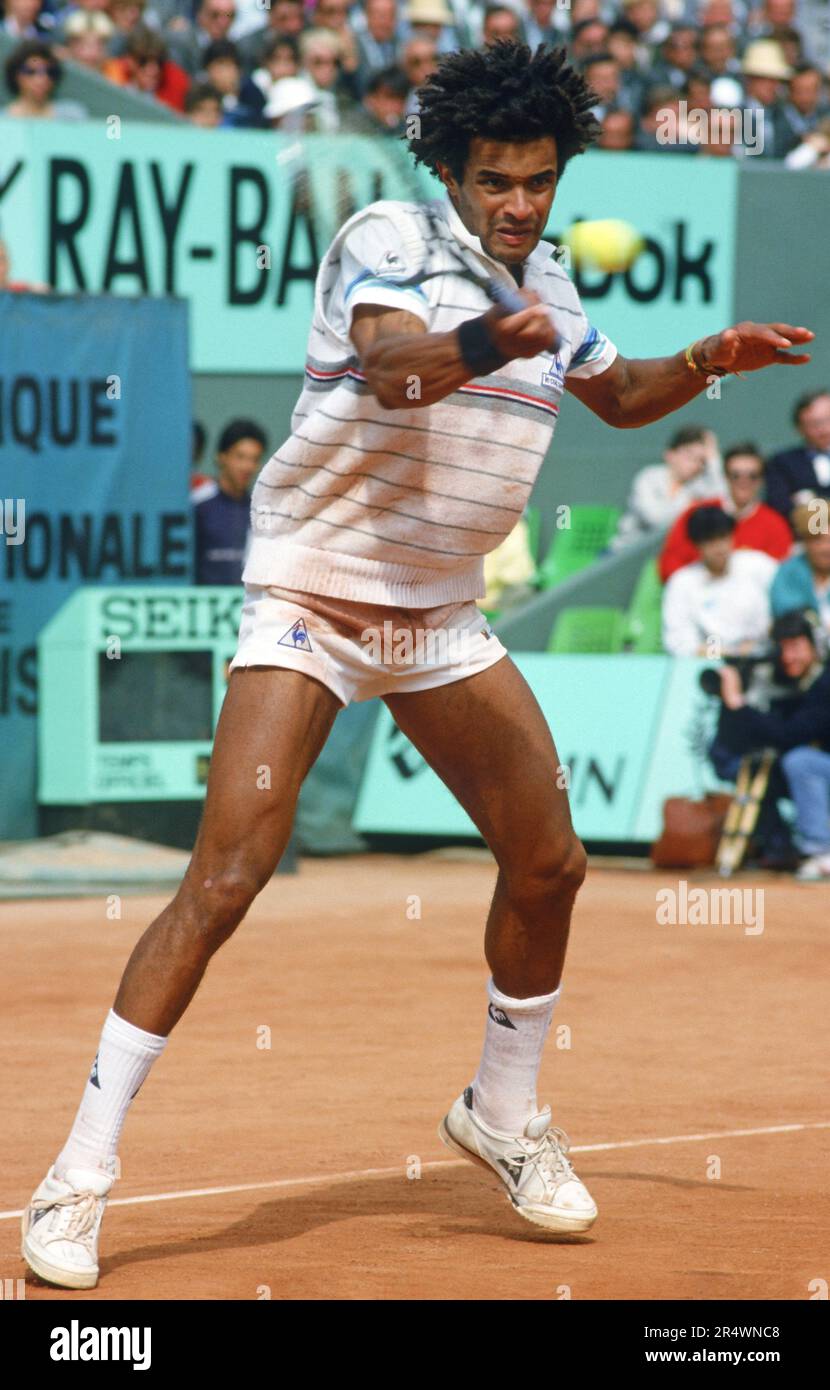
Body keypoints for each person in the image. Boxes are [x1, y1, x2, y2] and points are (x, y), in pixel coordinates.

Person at [21, 37, 815, 1291]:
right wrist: (495, 340)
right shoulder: (388, 240)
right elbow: (395, 371)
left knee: (548, 860)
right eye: (494, 179)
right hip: (313, 595)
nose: (517, 202)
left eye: (538, 179)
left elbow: (614, 396)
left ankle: (500, 1115)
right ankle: (77, 1173)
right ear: (449, 169)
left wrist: (712, 358)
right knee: (228, 874)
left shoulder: (547, 276)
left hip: (439, 614)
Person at [715, 609, 830, 880]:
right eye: (782, 648)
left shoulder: (825, 682)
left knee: (800, 761)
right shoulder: (785, 678)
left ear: (815, 646)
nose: (788, 657)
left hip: (818, 767)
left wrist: (739, 704)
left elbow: (790, 734)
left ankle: (821, 851)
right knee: (752, 766)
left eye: (796, 647)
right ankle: (779, 849)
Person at [659, 443, 792, 582]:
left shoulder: (775, 524)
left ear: (761, 480)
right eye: (736, 475)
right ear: (725, 476)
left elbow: (779, 577)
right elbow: (669, 565)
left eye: (752, 476)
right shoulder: (698, 513)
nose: (744, 481)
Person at [662, 506, 779, 656]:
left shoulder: (758, 565)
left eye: (723, 537)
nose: (720, 548)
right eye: (711, 541)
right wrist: (730, 653)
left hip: (766, 656)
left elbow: (786, 607)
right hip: (711, 665)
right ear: (697, 545)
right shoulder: (682, 583)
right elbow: (678, 642)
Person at [611, 425, 723, 549]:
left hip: (670, 555)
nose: (695, 463)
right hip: (625, 551)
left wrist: (713, 459)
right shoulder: (649, 476)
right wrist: (690, 507)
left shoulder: (699, 486)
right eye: (689, 455)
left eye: (701, 460)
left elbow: (721, 501)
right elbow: (654, 519)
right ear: (670, 455)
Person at [192, 420, 267, 583]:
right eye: (240, 457)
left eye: (254, 459)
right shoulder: (198, 505)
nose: (247, 466)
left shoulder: (261, 511)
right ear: (221, 457)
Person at [765, 390, 830, 523]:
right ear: (800, 428)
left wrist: (809, 501)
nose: (824, 429)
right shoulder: (783, 463)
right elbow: (780, 507)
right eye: (814, 424)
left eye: (828, 419)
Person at [771, 504, 830, 639]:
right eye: (818, 541)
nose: (825, 549)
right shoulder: (789, 572)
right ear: (805, 541)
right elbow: (786, 613)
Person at [2, 37, 87, 116]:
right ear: (16, 75)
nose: (41, 79)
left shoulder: (71, 115)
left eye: (49, 72)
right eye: (31, 71)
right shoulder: (3, 119)